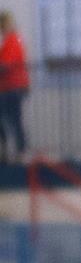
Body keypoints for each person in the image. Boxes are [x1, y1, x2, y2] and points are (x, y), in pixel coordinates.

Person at [0, 11, 30, 163]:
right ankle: (13, 150)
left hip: (12, 87)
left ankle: (19, 151)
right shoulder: (10, 42)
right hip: (10, 87)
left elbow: (6, 65)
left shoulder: (12, 41)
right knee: (12, 119)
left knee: (12, 120)